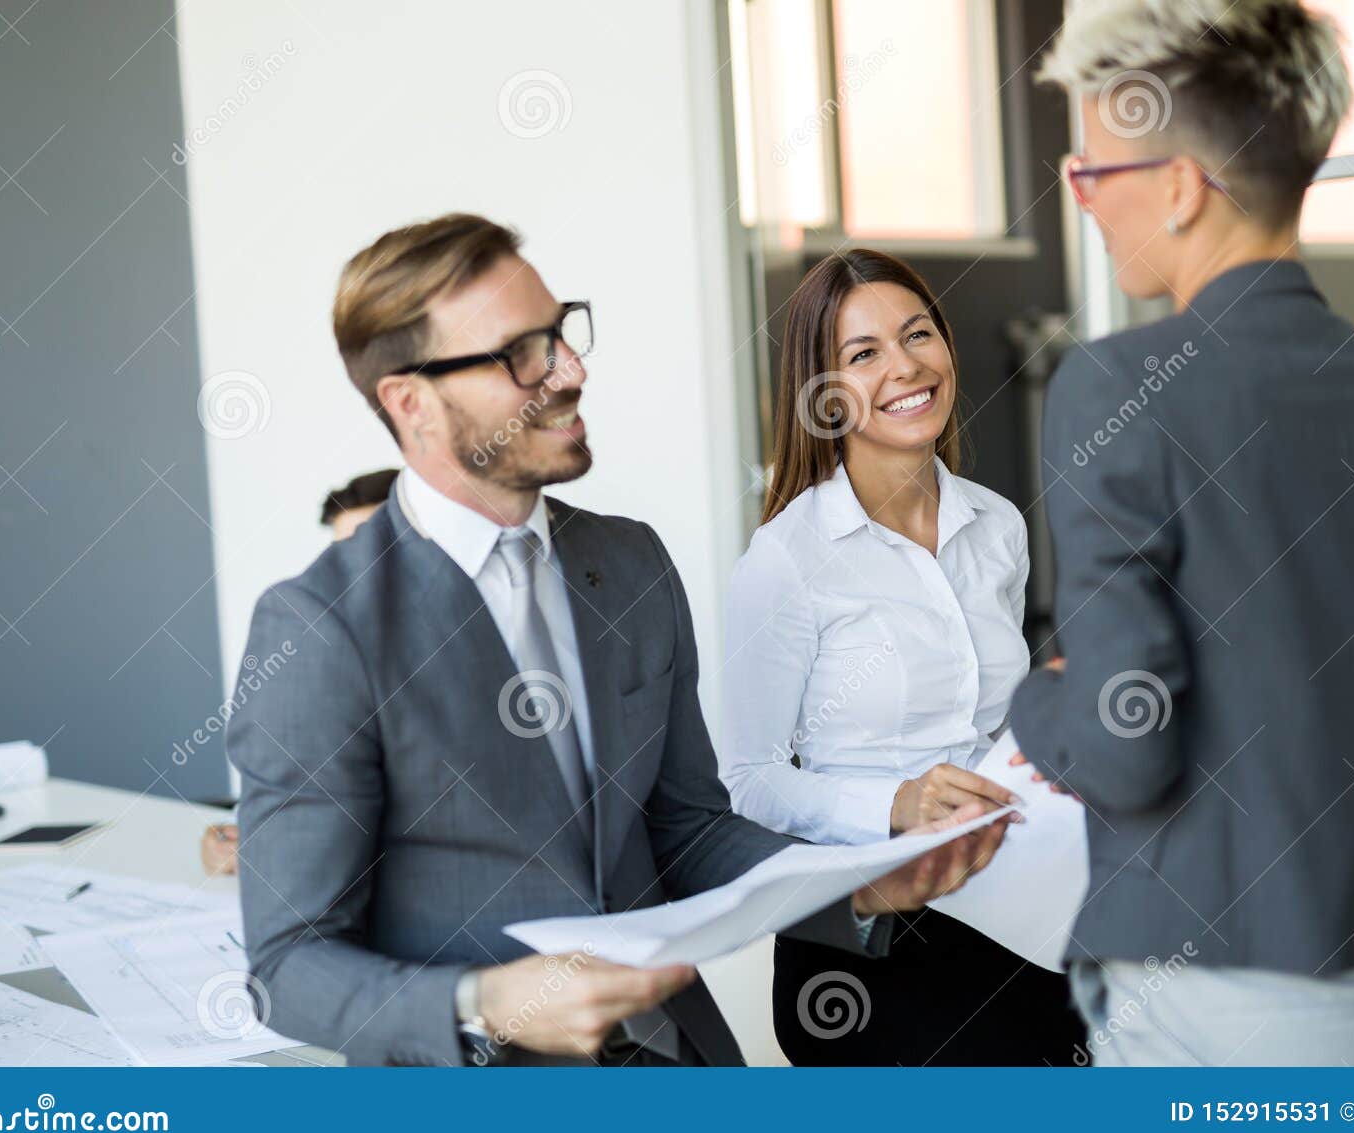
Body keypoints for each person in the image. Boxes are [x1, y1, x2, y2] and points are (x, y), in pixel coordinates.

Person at [227, 213, 997, 1067]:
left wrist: (856, 886)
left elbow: (688, 830)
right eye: (521, 354)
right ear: (410, 401)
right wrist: (482, 1001)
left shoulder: (629, 565)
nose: (571, 370)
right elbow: (287, 966)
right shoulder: (320, 630)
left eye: (561, 333)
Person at [1009, 0, 1354, 1065]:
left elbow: (1124, 751)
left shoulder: (1117, 386)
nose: (1080, 201)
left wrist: (1040, 694)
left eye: (1090, 174)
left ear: (1178, 188)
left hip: (1219, 982)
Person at [721, 249, 1085, 1065]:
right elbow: (747, 782)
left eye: (918, 333)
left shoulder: (997, 524)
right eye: (864, 353)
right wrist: (898, 800)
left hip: (1023, 914)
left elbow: (993, 725)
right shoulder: (786, 560)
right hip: (874, 946)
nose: (905, 365)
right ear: (822, 391)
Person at [200, 469, 403, 877]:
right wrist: (246, 838)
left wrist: (272, 856)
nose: (353, 571)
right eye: (341, 553)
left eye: (369, 547)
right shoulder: (321, 658)